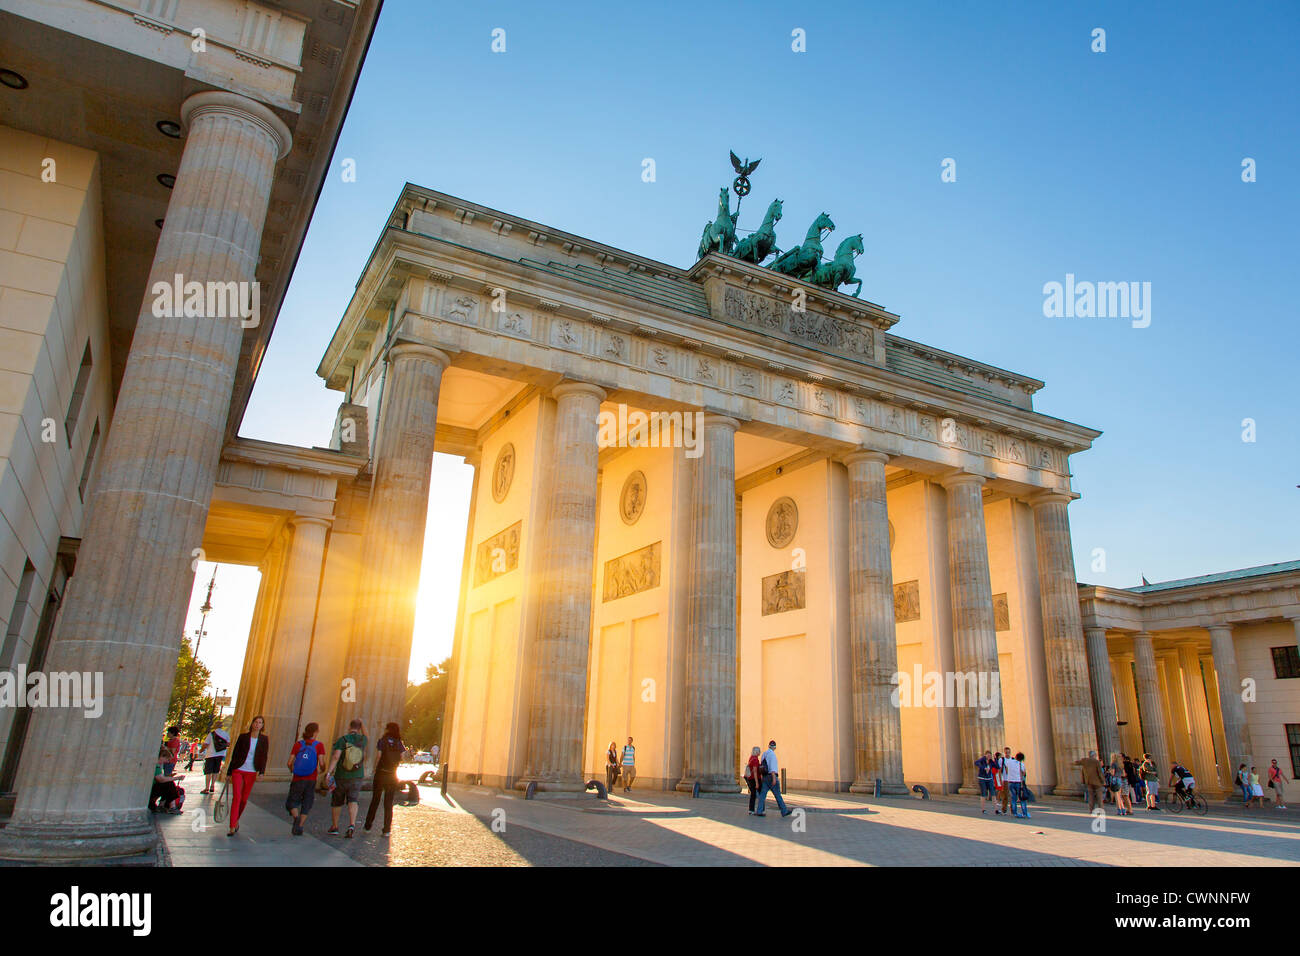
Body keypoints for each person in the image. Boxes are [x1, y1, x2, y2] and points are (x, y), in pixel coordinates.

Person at [225, 715, 268, 836]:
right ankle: (232, 826)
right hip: (238, 769)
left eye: (260, 723)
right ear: (252, 723)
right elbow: (235, 754)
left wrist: (262, 772)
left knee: (243, 799)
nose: (257, 724)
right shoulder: (243, 737)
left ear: (262, 725)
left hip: (252, 771)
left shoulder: (264, 739)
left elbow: (264, 756)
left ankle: (236, 819)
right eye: (256, 722)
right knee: (237, 797)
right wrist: (229, 772)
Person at [327, 718, 367, 838]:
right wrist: (362, 723)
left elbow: (336, 757)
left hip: (341, 775)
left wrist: (329, 772)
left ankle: (335, 827)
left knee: (337, 801)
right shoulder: (362, 739)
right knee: (353, 800)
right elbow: (367, 734)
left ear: (349, 727)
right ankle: (352, 825)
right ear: (359, 728)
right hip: (357, 775)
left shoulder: (342, 740)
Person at [365, 722, 405, 835]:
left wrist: (374, 769)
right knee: (388, 803)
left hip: (381, 773)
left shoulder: (382, 740)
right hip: (392, 774)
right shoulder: (399, 743)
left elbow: (378, 756)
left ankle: (368, 826)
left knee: (375, 800)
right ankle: (387, 829)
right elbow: (402, 757)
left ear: (387, 729)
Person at [286, 722, 326, 836]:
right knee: (307, 802)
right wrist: (322, 770)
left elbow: (289, 762)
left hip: (298, 778)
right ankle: (300, 826)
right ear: (315, 732)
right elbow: (322, 763)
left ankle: (296, 817)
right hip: (311, 778)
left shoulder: (298, 744)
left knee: (292, 801)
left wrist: (293, 770)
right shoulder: (319, 745)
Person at [755, 740, 792, 818]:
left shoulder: (764, 754)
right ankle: (784, 811)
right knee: (777, 795)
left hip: (765, 777)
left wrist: (762, 777)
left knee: (762, 795)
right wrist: (774, 778)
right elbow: (772, 768)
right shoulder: (772, 755)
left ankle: (759, 810)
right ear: (774, 747)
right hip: (771, 777)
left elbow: (762, 766)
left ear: (768, 746)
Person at [149, 747, 186, 813]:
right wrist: (177, 778)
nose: (167, 762)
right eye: (167, 759)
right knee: (169, 784)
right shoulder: (156, 766)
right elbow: (161, 779)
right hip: (151, 790)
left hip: (152, 789)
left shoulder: (158, 766)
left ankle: (164, 805)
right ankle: (172, 807)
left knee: (168, 784)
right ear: (162, 757)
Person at [200, 724, 229, 794]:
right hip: (220, 755)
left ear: (215, 726)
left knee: (208, 772)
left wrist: (201, 750)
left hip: (211, 754)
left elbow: (206, 744)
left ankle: (207, 788)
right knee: (216, 771)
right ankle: (212, 786)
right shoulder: (226, 734)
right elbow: (228, 744)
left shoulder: (212, 734)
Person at [1004, 750, 1029, 818]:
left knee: (1013, 798)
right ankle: (1024, 813)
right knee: (1022, 799)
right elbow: (1024, 773)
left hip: (1010, 782)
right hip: (1018, 782)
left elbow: (1006, 768)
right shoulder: (1021, 764)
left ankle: (1015, 813)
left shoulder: (1009, 762)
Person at [744, 746, 762, 814]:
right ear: (757, 752)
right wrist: (757, 782)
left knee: (753, 794)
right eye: (759, 751)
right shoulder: (755, 760)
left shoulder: (751, 758)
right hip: (754, 779)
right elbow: (755, 771)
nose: (760, 753)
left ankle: (751, 809)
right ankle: (757, 809)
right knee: (757, 794)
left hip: (750, 778)